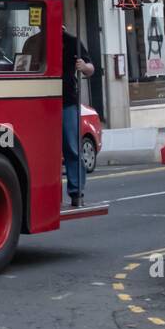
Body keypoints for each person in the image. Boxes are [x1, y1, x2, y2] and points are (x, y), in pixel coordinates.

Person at [63, 27, 95, 207]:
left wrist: (83, 67)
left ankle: (76, 191)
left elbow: (91, 68)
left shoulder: (71, 41)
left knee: (72, 147)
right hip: (42, 102)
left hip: (66, 101)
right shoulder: (36, 41)